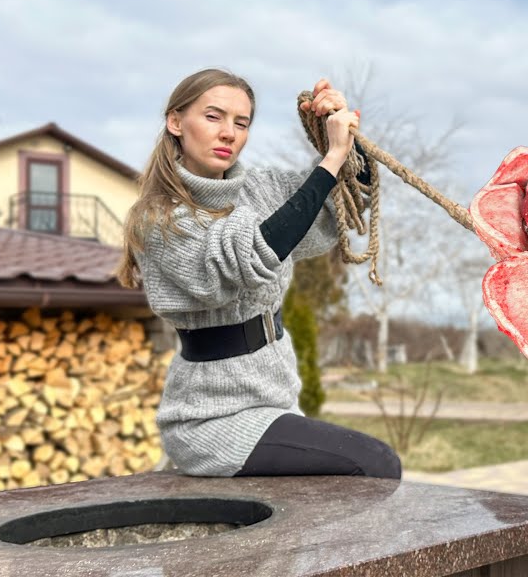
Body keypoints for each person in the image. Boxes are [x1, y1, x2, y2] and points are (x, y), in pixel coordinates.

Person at [115, 68, 401, 480]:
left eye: (241, 122)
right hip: (212, 420)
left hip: (274, 399)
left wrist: (338, 132)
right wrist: (330, 157)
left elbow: (340, 197)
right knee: (376, 464)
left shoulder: (258, 189)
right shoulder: (157, 218)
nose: (228, 132)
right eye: (213, 117)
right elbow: (248, 258)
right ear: (176, 122)